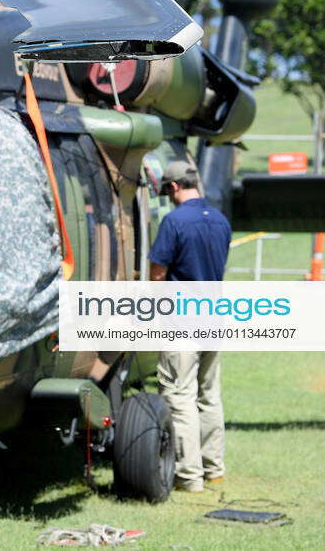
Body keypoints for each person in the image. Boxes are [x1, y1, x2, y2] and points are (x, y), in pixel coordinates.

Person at [148, 160, 231, 493]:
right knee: (209, 396)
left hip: (182, 322)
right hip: (215, 319)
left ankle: (188, 476)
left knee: (179, 396)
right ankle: (214, 469)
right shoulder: (221, 220)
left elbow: (157, 274)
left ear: (173, 187)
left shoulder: (174, 221)